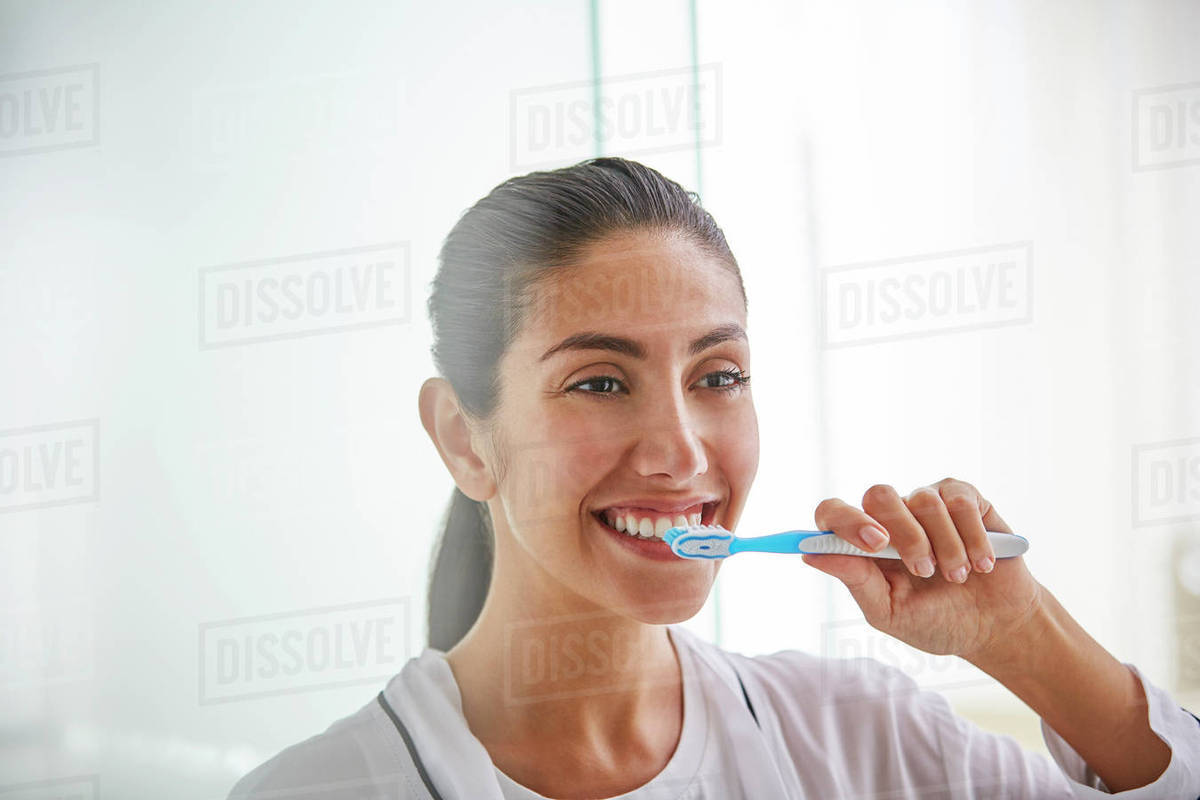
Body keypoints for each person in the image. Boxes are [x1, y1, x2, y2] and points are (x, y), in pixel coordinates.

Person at [228, 157, 1200, 799]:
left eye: (718, 376)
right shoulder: (323, 787)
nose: (682, 448)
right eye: (601, 381)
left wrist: (1020, 635)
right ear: (463, 436)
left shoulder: (861, 742)